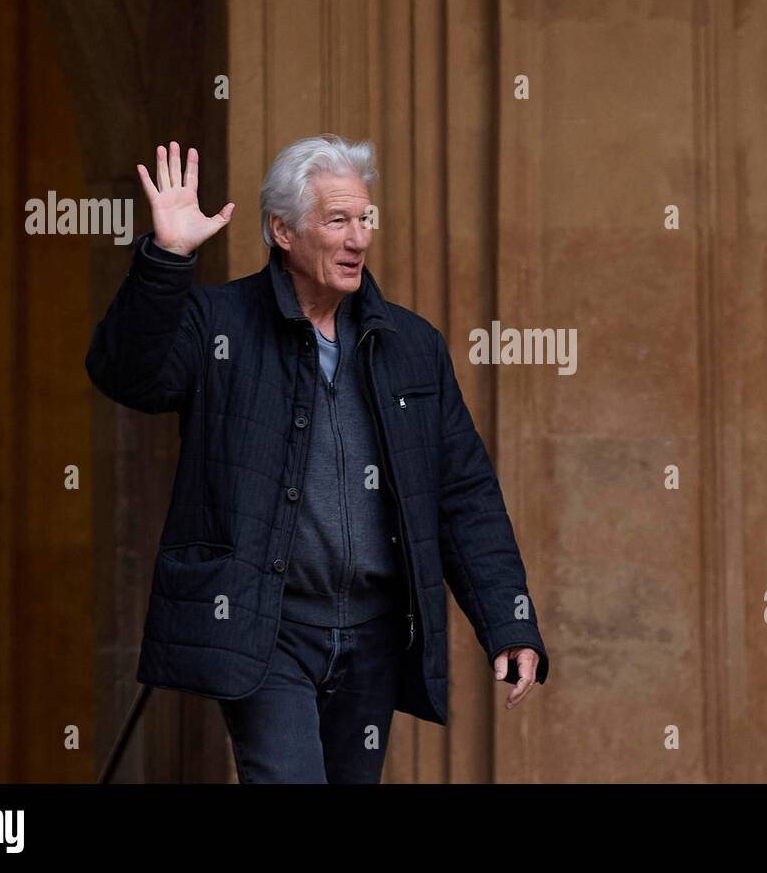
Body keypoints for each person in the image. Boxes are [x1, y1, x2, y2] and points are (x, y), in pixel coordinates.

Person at [86, 135, 550, 782]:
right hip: (267, 632)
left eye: (364, 218)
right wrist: (167, 259)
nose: (358, 237)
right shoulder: (217, 324)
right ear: (282, 230)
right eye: (337, 221)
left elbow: (462, 493)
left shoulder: (411, 346)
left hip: (374, 638)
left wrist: (510, 622)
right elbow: (125, 374)